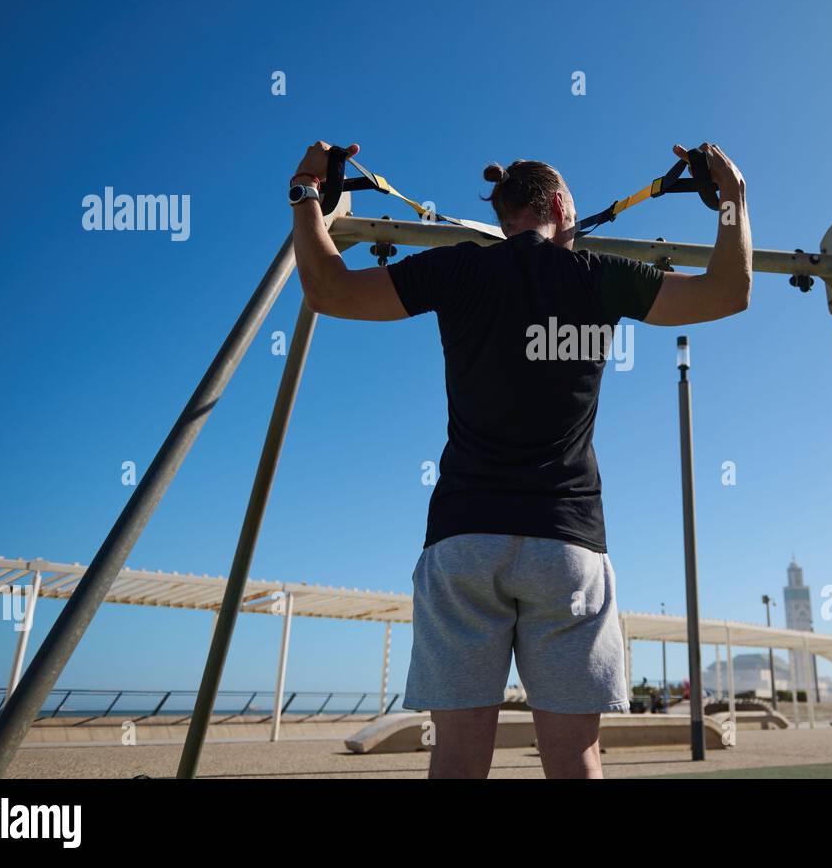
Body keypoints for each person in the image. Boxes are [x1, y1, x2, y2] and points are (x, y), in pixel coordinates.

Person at [288, 141, 751, 778]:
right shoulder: (597, 273)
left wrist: (308, 193)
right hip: (565, 546)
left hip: (463, 540)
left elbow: (328, 289)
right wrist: (732, 200)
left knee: (457, 759)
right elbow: (729, 290)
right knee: (573, 759)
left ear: (504, 217)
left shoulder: (458, 269)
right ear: (560, 205)